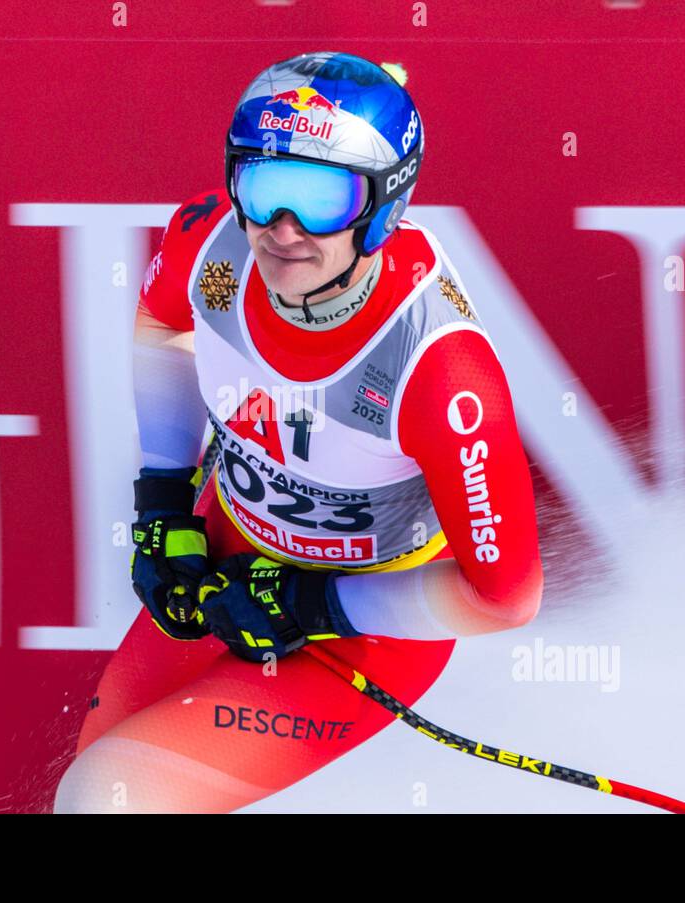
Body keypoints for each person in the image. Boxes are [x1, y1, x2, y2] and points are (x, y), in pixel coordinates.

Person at [53, 50, 543, 813]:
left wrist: (315, 606)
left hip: (360, 633)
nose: (282, 229)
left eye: (320, 198)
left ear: (383, 206)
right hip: (231, 555)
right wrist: (162, 501)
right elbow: (166, 323)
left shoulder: (440, 375)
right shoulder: (214, 246)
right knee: (91, 790)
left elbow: (506, 597)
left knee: (107, 797)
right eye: (264, 185)